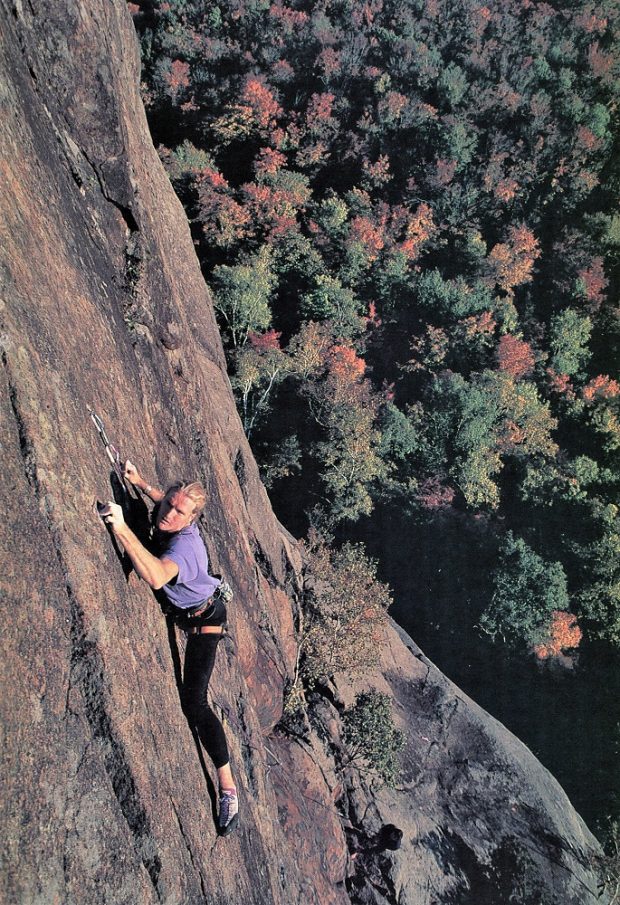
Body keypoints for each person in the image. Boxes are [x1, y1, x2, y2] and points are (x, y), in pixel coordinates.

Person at [99, 461, 239, 836]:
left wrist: (121, 526)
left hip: (204, 621)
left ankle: (227, 787)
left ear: (192, 520)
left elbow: (158, 576)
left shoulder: (184, 546)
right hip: (189, 608)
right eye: (169, 505)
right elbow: (166, 502)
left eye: (180, 512)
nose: (169, 514)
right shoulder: (174, 513)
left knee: (194, 704)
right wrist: (140, 483)